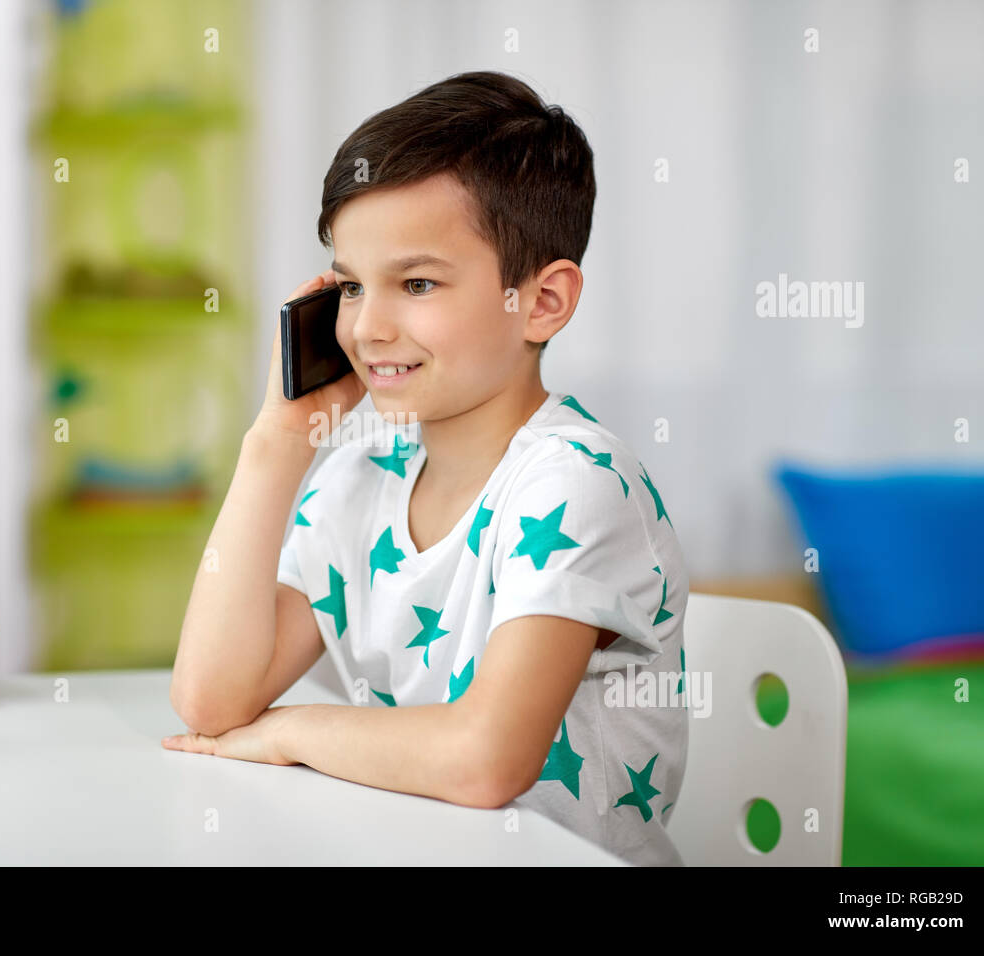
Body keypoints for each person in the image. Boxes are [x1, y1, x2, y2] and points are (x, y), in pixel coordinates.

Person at [166, 70, 689, 867]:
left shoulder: (575, 483)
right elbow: (210, 702)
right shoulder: (362, 473)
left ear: (542, 302)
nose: (368, 327)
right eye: (347, 286)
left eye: (416, 283)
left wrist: (292, 730)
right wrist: (276, 443)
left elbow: (485, 760)